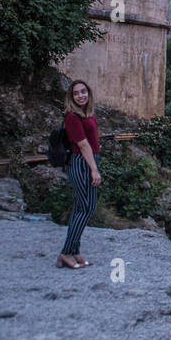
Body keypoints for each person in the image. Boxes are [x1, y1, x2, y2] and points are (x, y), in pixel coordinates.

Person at [59, 80, 101, 269]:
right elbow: (83, 145)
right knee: (86, 208)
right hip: (81, 163)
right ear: (71, 97)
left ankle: (74, 252)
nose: (81, 95)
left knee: (81, 208)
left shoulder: (87, 114)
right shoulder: (72, 117)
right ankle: (66, 253)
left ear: (88, 93)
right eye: (76, 93)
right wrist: (94, 169)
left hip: (89, 161)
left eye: (83, 91)